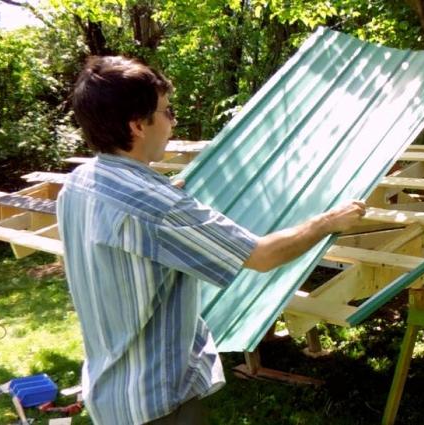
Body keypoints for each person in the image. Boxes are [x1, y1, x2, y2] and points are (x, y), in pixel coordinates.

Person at [57, 55, 365, 425]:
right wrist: (327, 221)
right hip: (157, 402)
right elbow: (261, 256)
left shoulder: (78, 183)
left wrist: (161, 197)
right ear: (138, 126)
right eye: (167, 112)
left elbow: (130, 226)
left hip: (111, 393)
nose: (172, 123)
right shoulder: (159, 209)